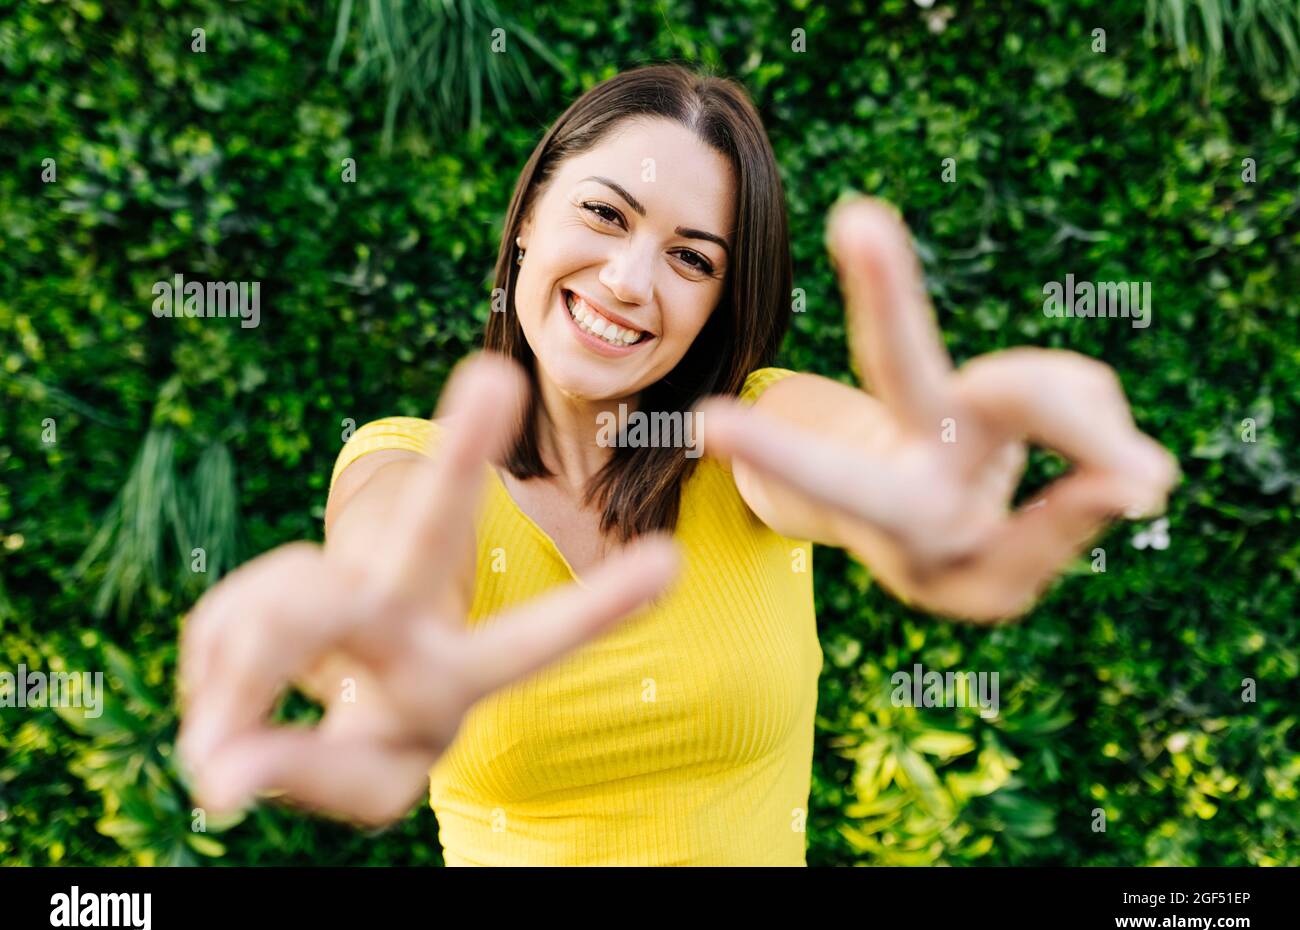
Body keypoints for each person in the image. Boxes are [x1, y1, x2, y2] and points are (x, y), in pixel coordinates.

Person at [176, 63, 1178, 865]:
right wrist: (363, 680)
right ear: (528, 217)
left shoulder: (751, 433)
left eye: (691, 257)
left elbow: (858, 451)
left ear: (716, 302)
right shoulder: (410, 466)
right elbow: (386, 569)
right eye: (605, 216)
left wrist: (933, 482)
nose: (629, 280)